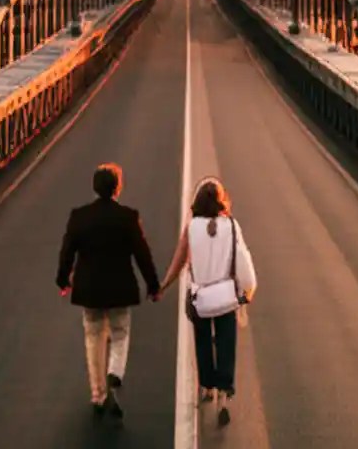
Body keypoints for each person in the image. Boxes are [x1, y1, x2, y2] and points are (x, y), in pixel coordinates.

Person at [57, 163, 161, 419]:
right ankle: (115, 370)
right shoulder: (128, 217)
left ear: (94, 187)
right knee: (120, 332)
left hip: (89, 289)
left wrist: (63, 280)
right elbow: (142, 253)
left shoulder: (79, 216)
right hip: (119, 288)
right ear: (118, 187)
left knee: (93, 338)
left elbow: (67, 251)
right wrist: (153, 285)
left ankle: (98, 394)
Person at [158, 177, 257, 427]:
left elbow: (180, 260)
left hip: (200, 297)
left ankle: (207, 386)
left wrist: (163, 286)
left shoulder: (192, 228)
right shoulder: (231, 226)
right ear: (221, 200)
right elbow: (243, 260)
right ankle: (224, 396)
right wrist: (249, 288)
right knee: (226, 344)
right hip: (226, 298)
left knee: (202, 342)